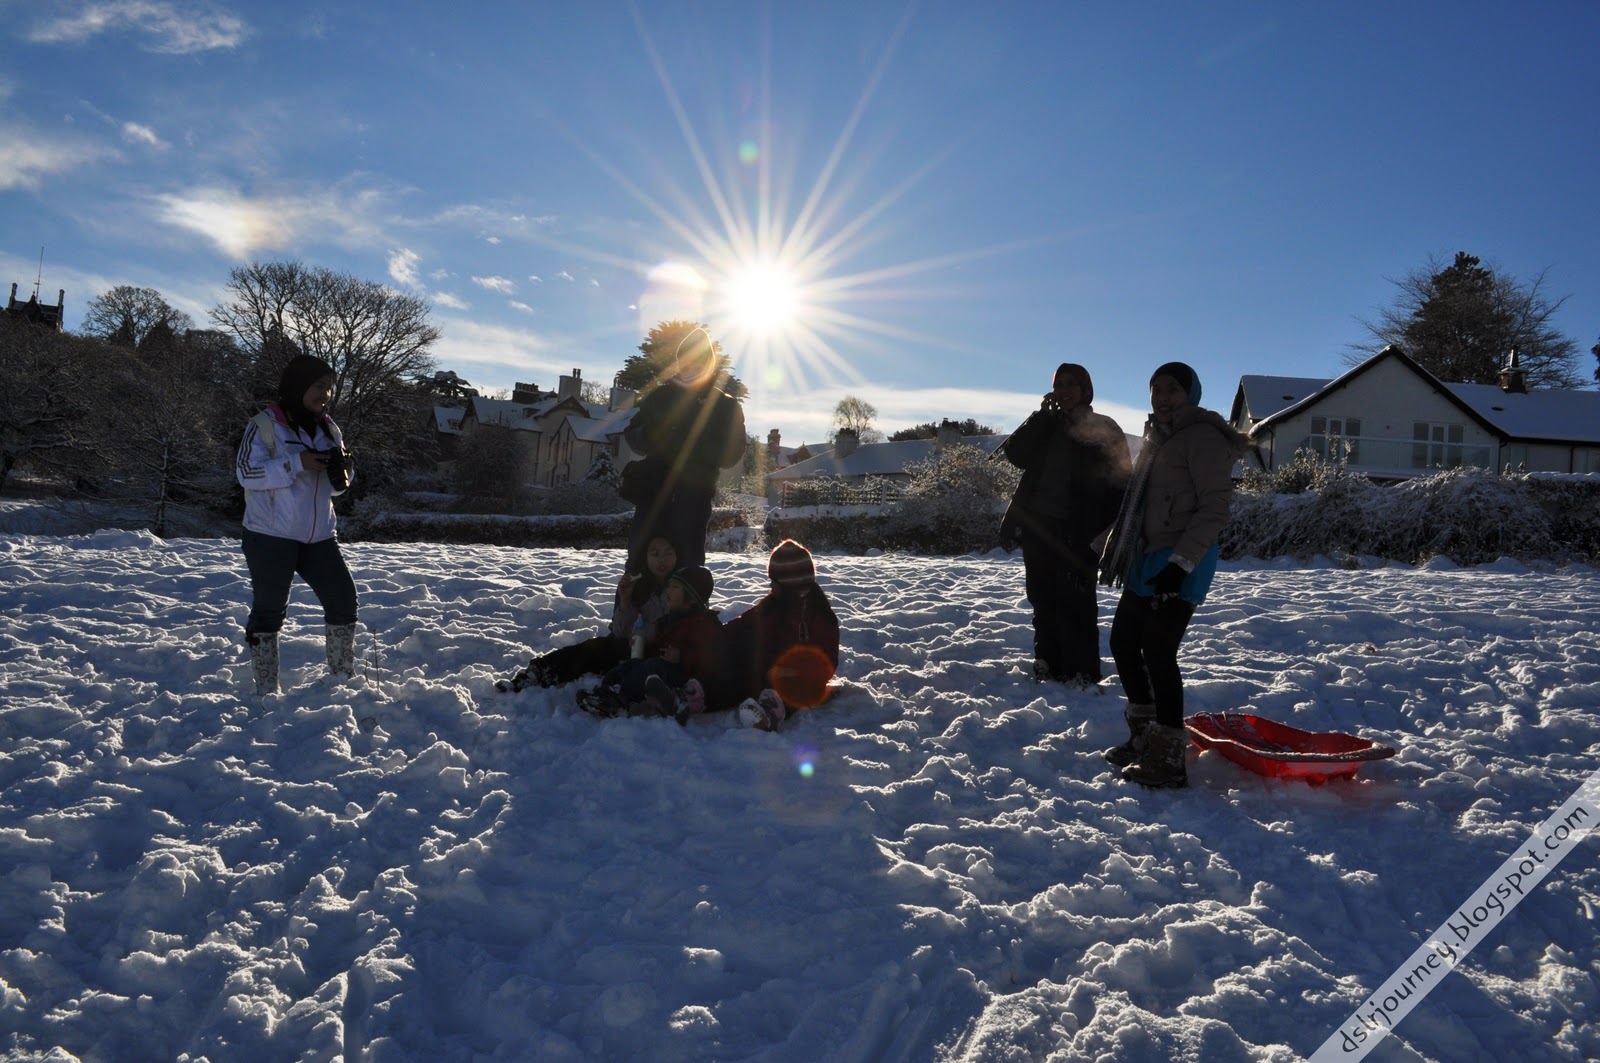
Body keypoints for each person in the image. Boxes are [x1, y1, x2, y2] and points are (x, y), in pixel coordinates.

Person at [1098, 361, 1246, 788]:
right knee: (1124, 643)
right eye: (1156, 389)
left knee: (1158, 652)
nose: (1162, 397)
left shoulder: (1202, 437)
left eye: (1172, 390)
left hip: (1183, 561)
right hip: (1147, 559)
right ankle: (1143, 737)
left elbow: (1214, 508)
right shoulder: (1158, 437)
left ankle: (1169, 756)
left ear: (1191, 394)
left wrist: (1179, 565)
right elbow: (1142, 505)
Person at [998, 363, 1130, 686]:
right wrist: (1042, 416)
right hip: (1039, 528)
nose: (1065, 390)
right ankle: (1048, 664)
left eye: (1072, 384)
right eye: (1060, 385)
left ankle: (1082, 672)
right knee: (1043, 600)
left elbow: (1121, 483)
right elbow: (1015, 453)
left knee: (1077, 602)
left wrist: (1100, 533)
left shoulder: (1103, 428)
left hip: (1080, 531)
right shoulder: (1047, 424)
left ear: (1086, 390)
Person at [236, 354, 358, 696]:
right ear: (298, 385)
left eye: (330, 388)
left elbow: (337, 488)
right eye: (319, 386)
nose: (326, 394)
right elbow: (245, 473)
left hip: (319, 535)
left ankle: (341, 684)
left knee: (344, 601)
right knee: (270, 610)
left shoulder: (329, 428)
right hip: (270, 535)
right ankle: (266, 692)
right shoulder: (263, 425)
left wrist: (342, 472)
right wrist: (296, 463)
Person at [621, 328, 746, 571]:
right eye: (686, 361)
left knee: (688, 565)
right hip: (652, 490)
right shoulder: (659, 396)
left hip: (694, 493)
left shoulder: (725, 405)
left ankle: (689, 610)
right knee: (640, 560)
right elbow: (633, 435)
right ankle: (630, 609)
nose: (691, 367)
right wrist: (658, 437)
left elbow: (731, 454)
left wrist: (695, 442)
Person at [500, 535, 678, 692]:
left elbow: (682, 625)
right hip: (634, 648)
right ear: (645, 558)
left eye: (668, 553)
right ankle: (539, 672)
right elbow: (620, 633)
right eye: (655, 554)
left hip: (665, 654)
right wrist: (625, 599)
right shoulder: (640, 586)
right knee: (595, 648)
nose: (662, 560)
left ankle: (613, 696)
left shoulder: (684, 587)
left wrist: (645, 635)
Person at [709, 539, 841, 731]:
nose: (771, 587)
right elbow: (741, 626)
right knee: (734, 677)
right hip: (765, 674)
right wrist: (716, 636)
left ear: (789, 584)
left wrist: (788, 671)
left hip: (800, 679)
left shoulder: (817, 615)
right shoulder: (771, 606)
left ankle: (770, 714)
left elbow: (825, 661)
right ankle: (696, 699)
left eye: (774, 582)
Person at [577, 565, 723, 717]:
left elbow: (709, 656)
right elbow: (657, 641)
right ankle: (607, 691)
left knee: (653, 667)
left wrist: (681, 656)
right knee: (630, 665)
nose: (668, 591)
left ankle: (620, 698)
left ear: (692, 598)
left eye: (675, 588)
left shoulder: (704, 623)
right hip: (659, 668)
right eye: (669, 586)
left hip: (682, 676)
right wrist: (641, 644)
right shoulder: (668, 619)